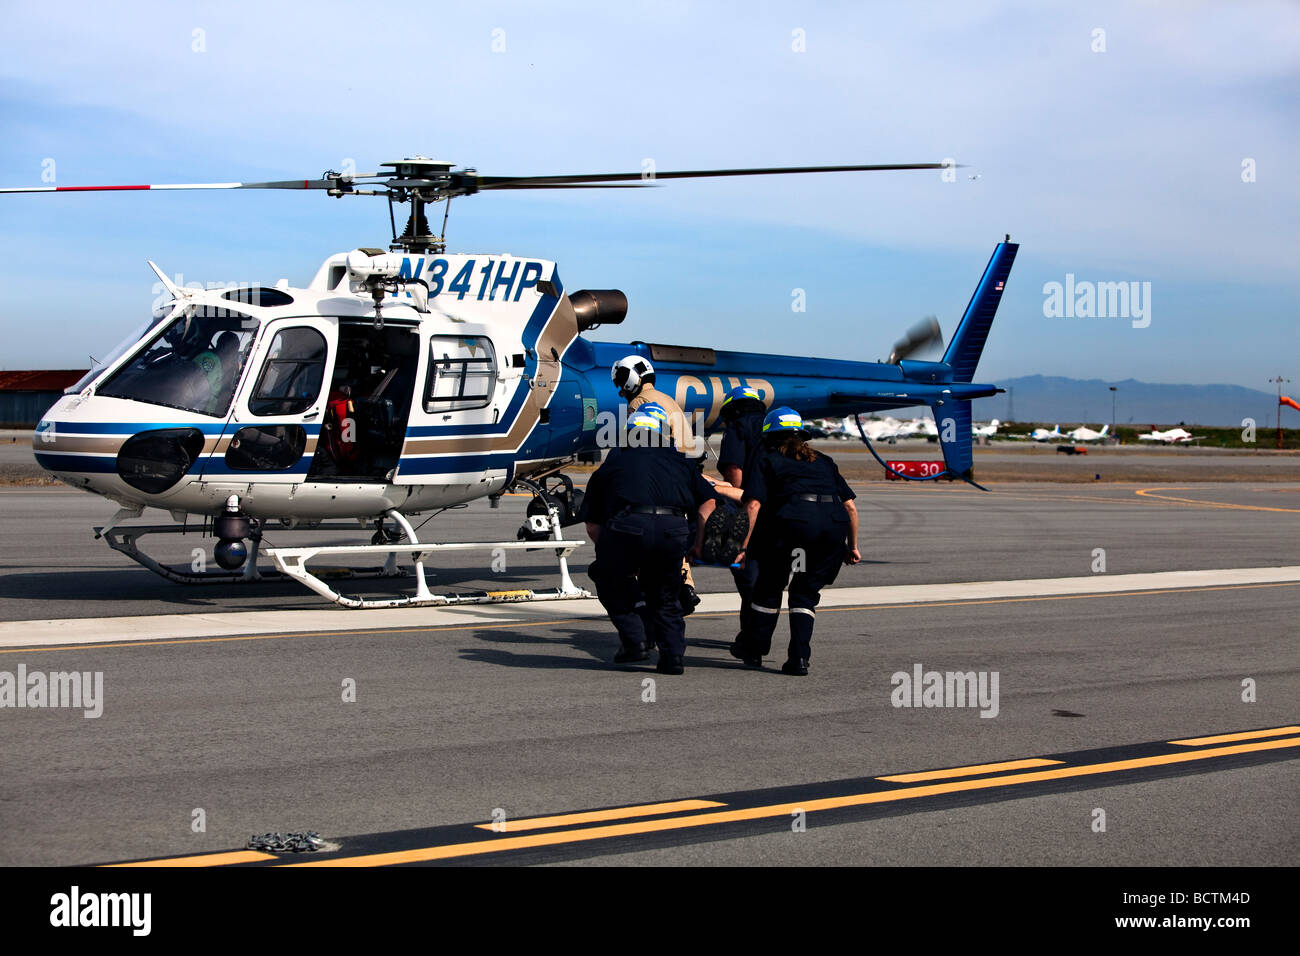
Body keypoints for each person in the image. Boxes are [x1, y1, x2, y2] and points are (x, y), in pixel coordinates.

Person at [580, 404, 718, 675]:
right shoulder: (682, 462)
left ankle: (636, 641)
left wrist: (614, 556)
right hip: (673, 529)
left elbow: (593, 524)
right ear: (663, 433)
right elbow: (709, 502)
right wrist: (699, 540)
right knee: (665, 593)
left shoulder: (614, 463)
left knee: (607, 576)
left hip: (629, 527)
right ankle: (673, 657)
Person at [732, 406, 861, 675]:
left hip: (793, 529)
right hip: (831, 530)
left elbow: (753, 505)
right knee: (804, 594)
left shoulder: (767, 459)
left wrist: (742, 546)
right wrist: (853, 547)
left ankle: (754, 649)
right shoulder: (824, 461)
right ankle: (799, 659)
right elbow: (850, 507)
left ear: (770, 435)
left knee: (769, 589)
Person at [611, 355, 705, 614]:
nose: (620, 388)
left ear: (631, 378)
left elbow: (634, 443)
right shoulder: (668, 399)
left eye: (621, 381)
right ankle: (685, 587)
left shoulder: (640, 403)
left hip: (660, 473)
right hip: (683, 474)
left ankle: (652, 598)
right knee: (675, 533)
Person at [715, 385, 768, 642]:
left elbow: (735, 470)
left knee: (746, 574)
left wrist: (733, 492)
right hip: (781, 509)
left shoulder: (737, 426)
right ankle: (757, 632)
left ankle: (751, 635)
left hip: (750, 509)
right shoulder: (771, 426)